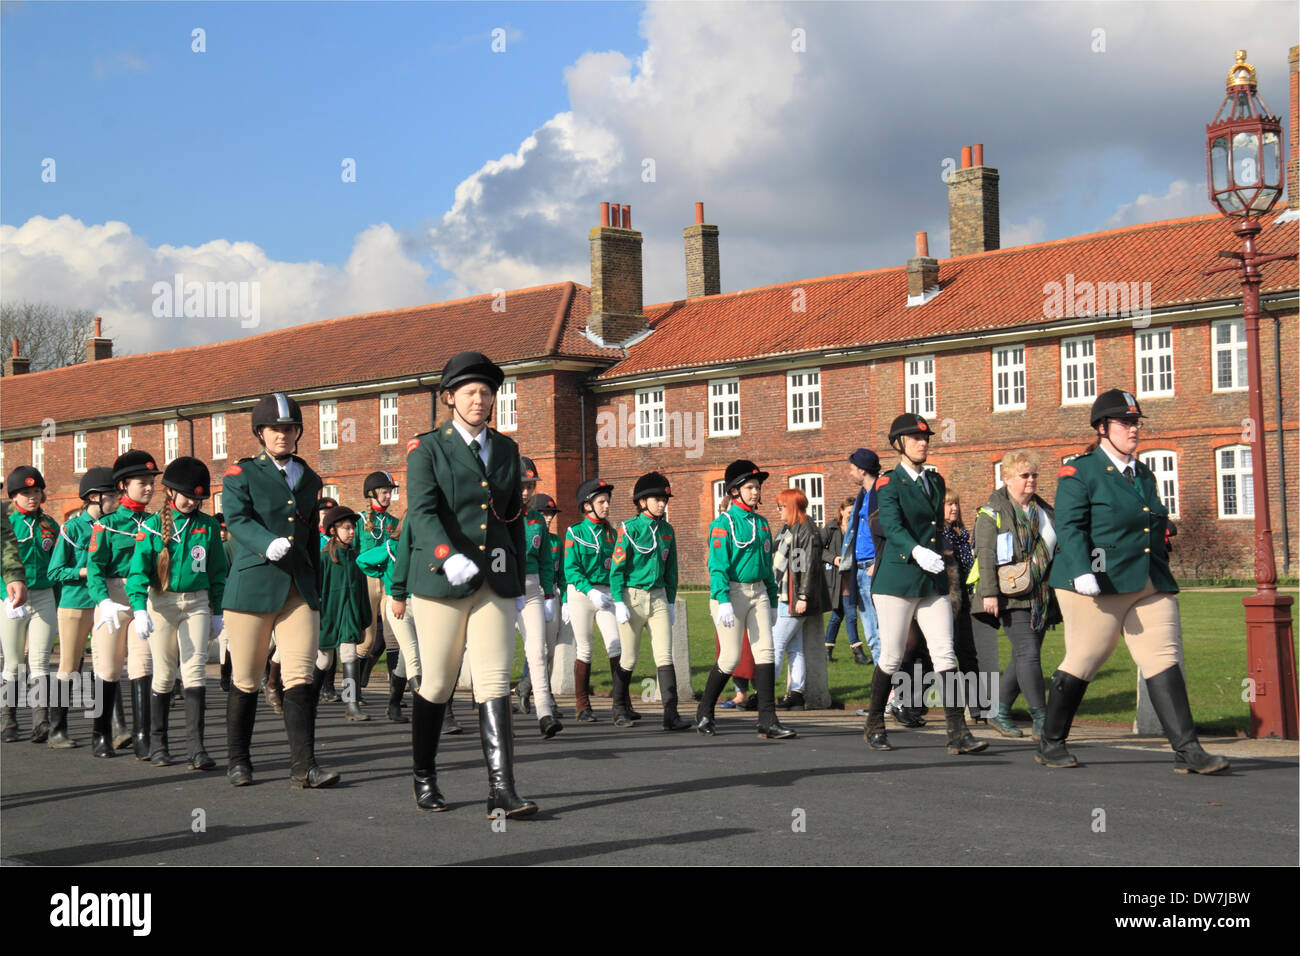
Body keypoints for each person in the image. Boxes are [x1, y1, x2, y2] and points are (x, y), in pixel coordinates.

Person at [1038, 390, 1228, 774]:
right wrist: (1081, 571)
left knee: (1163, 657)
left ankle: (1187, 750)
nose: (1134, 429)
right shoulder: (1080, 471)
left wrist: (1163, 527)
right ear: (1103, 428)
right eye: (1125, 422)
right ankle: (1051, 741)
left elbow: (1149, 516)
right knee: (1086, 659)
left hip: (1147, 578)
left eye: (1136, 422)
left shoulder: (1142, 472)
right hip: (1096, 580)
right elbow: (1070, 527)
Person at [401, 351, 536, 816]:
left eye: (487, 392)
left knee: (494, 679)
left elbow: (512, 517)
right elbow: (419, 513)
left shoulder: (506, 449)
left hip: (494, 579)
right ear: (450, 398)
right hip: (442, 579)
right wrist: (446, 555)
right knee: (438, 681)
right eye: (471, 392)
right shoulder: (427, 449)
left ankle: (502, 789)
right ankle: (424, 775)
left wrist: (517, 580)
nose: (480, 400)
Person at [222, 392, 339, 788]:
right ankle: (239, 759)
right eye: (275, 429)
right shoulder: (242, 475)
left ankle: (304, 765)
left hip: (298, 585)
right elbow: (236, 519)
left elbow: (308, 536)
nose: (283, 435)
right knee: (247, 677)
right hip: (254, 582)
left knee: (300, 673)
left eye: (289, 429)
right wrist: (262, 540)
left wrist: (316, 589)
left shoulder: (309, 477)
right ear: (261, 432)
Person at [862, 414, 987, 756]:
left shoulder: (935, 481)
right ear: (899, 444)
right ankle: (874, 723)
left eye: (925, 438)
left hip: (932, 579)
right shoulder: (889, 484)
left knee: (945, 652)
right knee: (891, 654)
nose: (923, 443)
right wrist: (917, 551)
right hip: (897, 579)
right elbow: (891, 524)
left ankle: (957, 732)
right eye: (915, 439)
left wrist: (935, 557)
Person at [125, 457, 227, 769]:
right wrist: (139, 610)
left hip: (196, 602)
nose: (193, 501)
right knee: (166, 673)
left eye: (198, 497)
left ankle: (196, 748)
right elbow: (137, 574)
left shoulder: (208, 526)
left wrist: (217, 612)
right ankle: (159, 744)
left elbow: (218, 572)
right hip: (162, 604)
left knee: (194, 669)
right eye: (188, 496)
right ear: (170, 493)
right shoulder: (153, 527)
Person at [696, 459, 794, 739]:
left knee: (766, 652)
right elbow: (717, 566)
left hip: (759, 593)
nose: (756, 492)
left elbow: (768, 569)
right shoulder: (722, 524)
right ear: (735, 491)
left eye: (757, 487)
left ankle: (767, 719)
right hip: (730, 592)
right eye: (750, 487)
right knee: (730, 657)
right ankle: (704, 711)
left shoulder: (762, 524)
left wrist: (773, 602)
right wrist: (722, 599)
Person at [972, 455, 1057, 740]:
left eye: (1033, 474)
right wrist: (989, 593)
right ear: (1006, 478)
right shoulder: (992, 511)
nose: (1031, 480)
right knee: (1029, 655)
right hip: (1008, 594)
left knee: (1022, 656)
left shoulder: (1043, 510)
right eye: (1024, 475)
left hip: (1040, 596)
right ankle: (1042, 718)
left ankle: (999, 711)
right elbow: (985, 554)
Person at [86, 451, 160, 759]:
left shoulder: (157, 523)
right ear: (123, 486)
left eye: (151, 483)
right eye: (141, 483)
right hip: (113, 598)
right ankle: (101, 732)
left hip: (144, 597)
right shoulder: (106, 525)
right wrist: (102, 601)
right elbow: (93, 568)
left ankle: (143, 735)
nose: (148, 488)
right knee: (108, 667)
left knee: (142, 664)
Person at [610, 471, 691, 731]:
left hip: (657, 598)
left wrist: (668, 601)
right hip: (631, 597)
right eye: (656, 499)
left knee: (665, 656)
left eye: (664, 499)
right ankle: (619, 708)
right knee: (629, 658)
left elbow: (671, 570)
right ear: (642, 501)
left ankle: (671, 713)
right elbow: (616, 569)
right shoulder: (629, 529)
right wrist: (618, 601)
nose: (662, 503)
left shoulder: (667, 530)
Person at [44, 467, 117, 749]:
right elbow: (55, 571)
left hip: (104, 604)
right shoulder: (72, 528)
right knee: (70, 666)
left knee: (105, 667)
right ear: (94, 497)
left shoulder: (113, 526)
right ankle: (57, 729)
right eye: (111, 495)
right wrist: (84, 571)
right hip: (75, 603)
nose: (116, 500)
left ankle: (110, 729)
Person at [2, 466, 61, 743]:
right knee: (13, 662)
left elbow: (59, 562)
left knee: (39, 660)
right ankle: (8, 719)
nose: (32, 497)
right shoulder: (6, 523)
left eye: (36, 491)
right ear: (13, 496)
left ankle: (41, 720)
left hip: (44, 594)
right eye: (25, 493)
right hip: (12, 597)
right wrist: (5, 595)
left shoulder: (50, 525)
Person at [564, 478, 624, 723]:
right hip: (581, 593)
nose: (606, 505)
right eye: (601, 501)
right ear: (587, 505)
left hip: (606, 592)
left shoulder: (612, 533)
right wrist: (591, 591)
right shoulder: (574, 532)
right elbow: (571, 569)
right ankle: (582, 706)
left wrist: (618, 598)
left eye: (607, 501)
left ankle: (620, 705)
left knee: (616, 644)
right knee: (585, 648)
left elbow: (619, 567)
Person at [514, 457, 561, 737]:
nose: (526, 491)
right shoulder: (497, 516)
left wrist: (547, 594)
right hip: (502, 588)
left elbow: (545, 561)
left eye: (530, 486)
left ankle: (544, 711)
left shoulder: (537, 521)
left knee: (539, 650)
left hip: (531, 588)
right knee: (499, 653)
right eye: (521, 485)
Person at [357, 519, 422, 723]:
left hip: (422, 604)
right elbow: (362, 560)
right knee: (410, 652)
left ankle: (393, 704)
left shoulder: (426, 546)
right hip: (397, 602)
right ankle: (428, 711)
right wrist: (384, 575)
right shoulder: (391, 546)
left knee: (405, 657)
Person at [771, 487, 829, 711]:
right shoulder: (790, 527)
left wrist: (803, 596)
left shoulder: (805, 529)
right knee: (794, 648)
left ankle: (763, 692)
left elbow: (807, 566)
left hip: (794, 596)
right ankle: (797, 693)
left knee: (776, 643)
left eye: (781, 506)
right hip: (786, 593)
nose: (778, 511)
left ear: (791, 506)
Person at [315, 505, 372, 722]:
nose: (351, 532)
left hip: (349, 618)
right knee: (324, 662)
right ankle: (310, 697)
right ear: (333, 530)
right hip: (327, 617)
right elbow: (315, 592)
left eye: (353, 528)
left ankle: (351, 703)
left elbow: (363, 594)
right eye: (346, 528)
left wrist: (364, 620)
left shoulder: (356, 559)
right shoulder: (323, 559)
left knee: (349, 656)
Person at [942, 491, 985, 726]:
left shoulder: (962, 534)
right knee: (943, 655)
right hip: (946, 600)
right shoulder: (940, 535)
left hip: (965, 598)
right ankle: (914, 702)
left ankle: (976, 705)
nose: (954, 508)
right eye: (949, 504)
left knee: (967, 651)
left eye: (956, 504)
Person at [355, 472, 399, 700]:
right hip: (366, 582)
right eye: (384, 492)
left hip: (388, 581)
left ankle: (395, 696)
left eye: (390, 492)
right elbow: (352, 553)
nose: (388, 496)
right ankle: (353, 693)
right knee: (367, 641)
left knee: (392, 638)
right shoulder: (359, 521)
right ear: (371, 494)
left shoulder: (393, 522)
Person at [843, 448, 882, 666]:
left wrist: (878, 562)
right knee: (871, 634)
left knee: (879, 632)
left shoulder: (880, 494)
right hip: (860, 569)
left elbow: (888, 530)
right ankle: (885, 686)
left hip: (871, 568)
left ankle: (891, 688)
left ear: (862, 470)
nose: (850, 472)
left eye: (852, 468)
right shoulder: (864, 495)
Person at [821, 498, 859, 663]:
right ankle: (858, 652)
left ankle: (827, 650)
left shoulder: (856, 528)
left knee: (837, 615)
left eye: (854, 512)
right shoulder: (831, 528)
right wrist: (833, 558)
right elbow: (818, 549)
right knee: (851, 614)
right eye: (850, 512)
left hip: (851, 577)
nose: (852, 515)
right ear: (842, 511)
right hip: (837, 578)